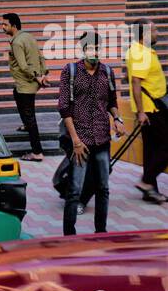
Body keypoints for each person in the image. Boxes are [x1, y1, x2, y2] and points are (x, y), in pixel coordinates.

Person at [59, 31, 126, 236]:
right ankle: (69, 236)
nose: (94, 52)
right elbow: (64, 108)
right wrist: (76, 141)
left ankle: (101, 233)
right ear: (82, 50)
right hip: (81, 142)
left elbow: (111, 103)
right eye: (89, 48)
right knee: (74, 191)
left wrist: (117, 119)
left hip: (102, 139)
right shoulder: (70, 71)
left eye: (97, 48)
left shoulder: (107, 72)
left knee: (103, 189)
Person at [125, 21, 168, 205]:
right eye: (155, 29)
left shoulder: (141, 49)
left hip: (150, 107)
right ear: (145, 34)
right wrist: (142, 112)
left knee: (151, 148)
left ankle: (149, 190)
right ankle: (146, 180)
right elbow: (136, 82)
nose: (158, 32)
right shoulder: (141, 53)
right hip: (151, 108)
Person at [2, 12, 48, 162]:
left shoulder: (16, 43)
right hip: (30, 82)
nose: (3, 27)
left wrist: (38, 77)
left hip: (26, 83)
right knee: (16, 94)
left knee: (30, 118)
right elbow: (40, 56)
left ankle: (37, 152)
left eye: (5, 25)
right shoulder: (28, 36)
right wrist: (43, 74)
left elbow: (23, 66)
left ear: (13, 26)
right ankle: (26, 125)